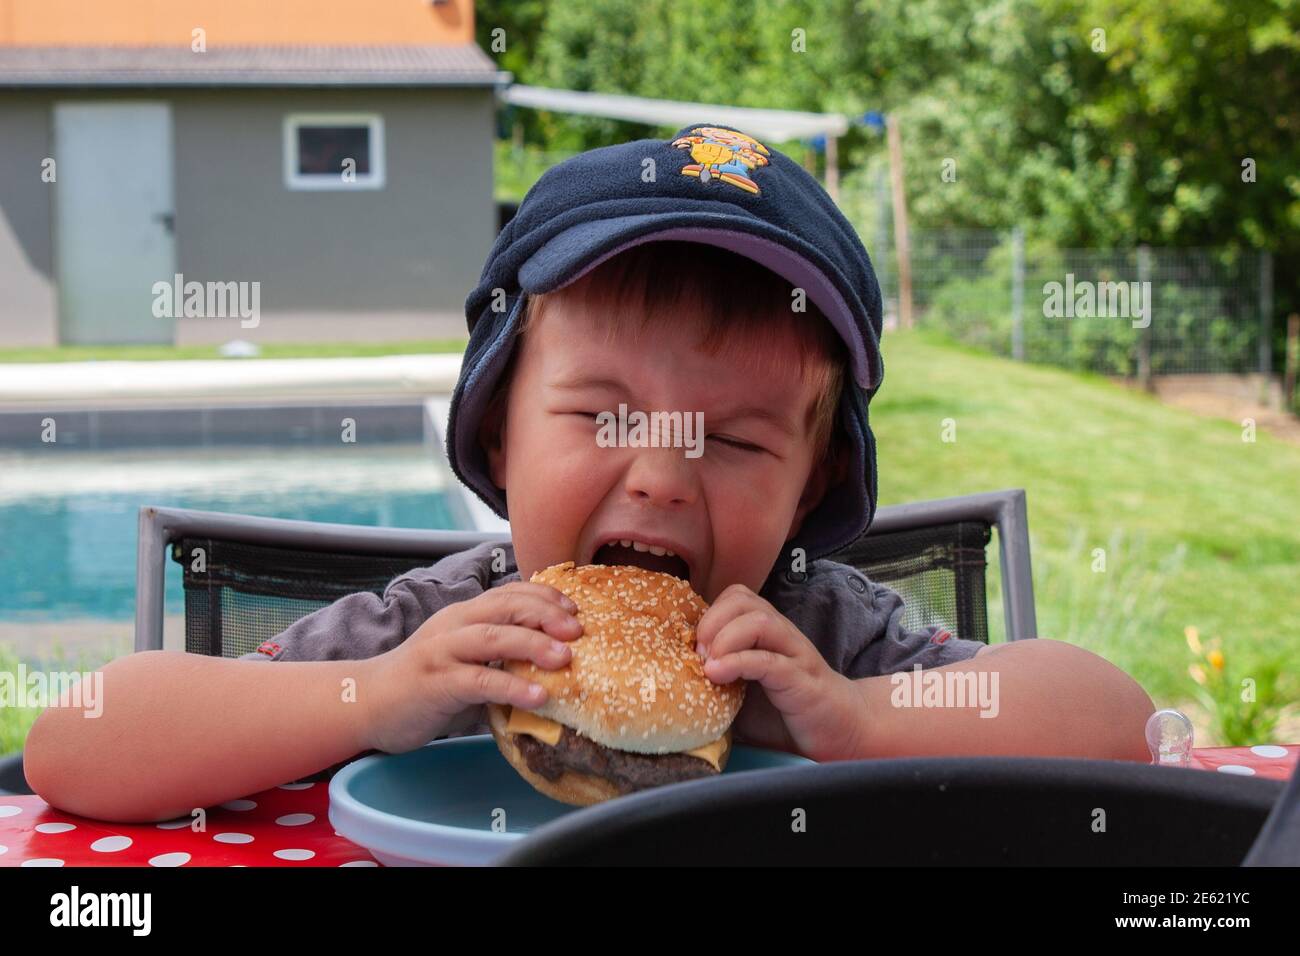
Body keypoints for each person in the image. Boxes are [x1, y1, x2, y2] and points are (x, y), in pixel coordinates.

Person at [24, 125, 1153, 823]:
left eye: (735, 439)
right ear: (498, 437)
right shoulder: (441, 635)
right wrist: (374, 694)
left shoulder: (821, 641)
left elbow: (1117, 724)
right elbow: (75, 743)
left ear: (809, 489)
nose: (661, 475)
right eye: (606, 413)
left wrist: (857, 719)